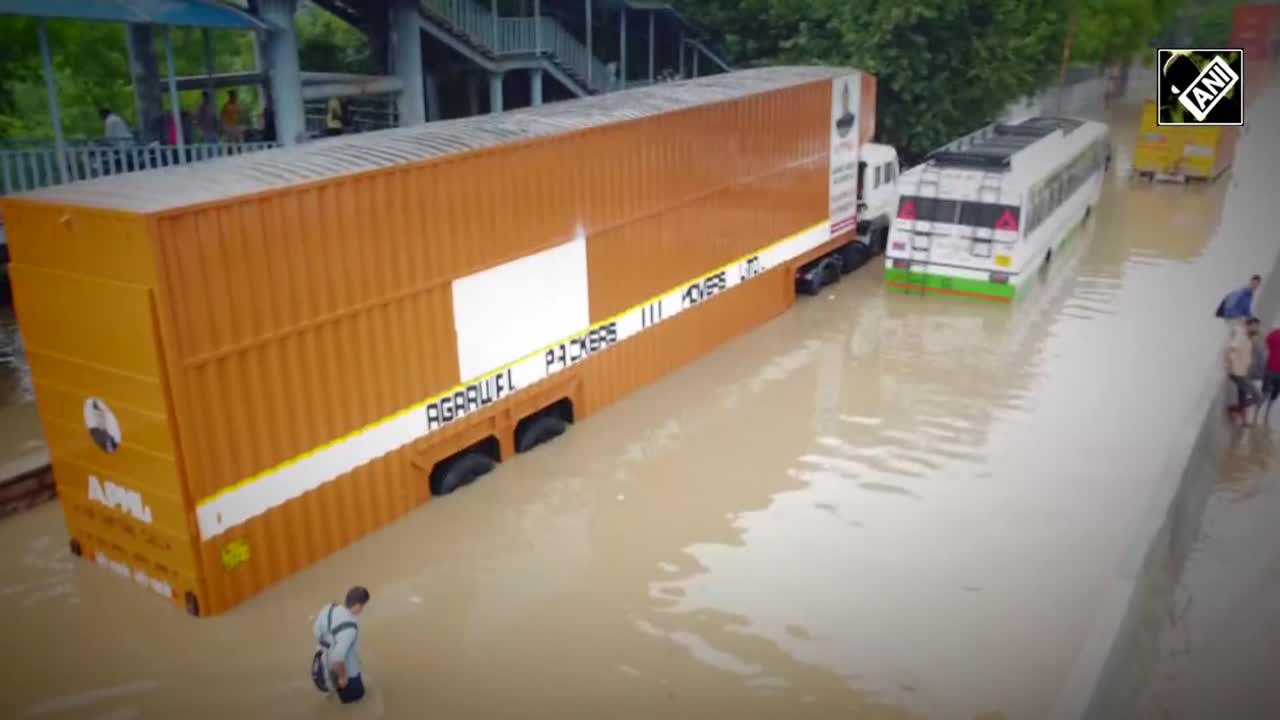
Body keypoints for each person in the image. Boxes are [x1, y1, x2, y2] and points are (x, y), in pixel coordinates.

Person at [311, 586, 370, 704]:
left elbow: (316, 632)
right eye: (363, 606)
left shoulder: (329, 608)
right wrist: (343, 678)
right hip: (346, 673)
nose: (362, 609)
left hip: (325, 664)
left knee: (340, 694)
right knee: (358, 702)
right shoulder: (349, 628)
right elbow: (337, 658)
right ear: (358, 605)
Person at [1226, 318, 1264, 424]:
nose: (1256, 328)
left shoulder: (1248, 337)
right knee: (1259, 398)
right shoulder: (1241, 336)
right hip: (1239, 373)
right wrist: (1230, 364)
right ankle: (1235, 409)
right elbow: (1233, 348)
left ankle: (1242, 418)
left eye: (1257, 326)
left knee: (1242, 395)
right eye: (1254, 326)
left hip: (1244, 372)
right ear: (1248, 325)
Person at [1263, 324, 1280, 422]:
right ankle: (1266, 414)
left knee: (1266, 392)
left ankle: (1257, 414)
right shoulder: (1274, 334)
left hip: (1270, 368)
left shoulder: (1273, 334)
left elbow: (1266, 346)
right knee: (1274, 394)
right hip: (1275, 370)